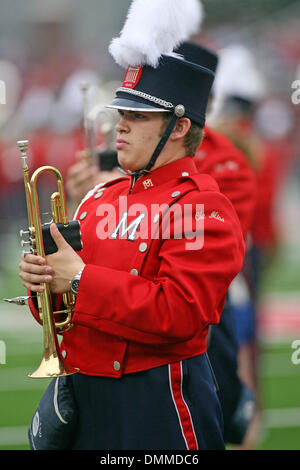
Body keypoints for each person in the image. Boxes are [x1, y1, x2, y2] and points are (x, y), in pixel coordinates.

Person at [18, 21, 245, 454]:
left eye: (137, 117)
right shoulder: (99, 197)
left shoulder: (202, 207)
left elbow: (179, 312)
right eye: (122, 114)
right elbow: (61, 313)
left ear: (178, 128)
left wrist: (81, 279)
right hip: (86, 397)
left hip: (156, 401)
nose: (120, 126)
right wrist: (43, 283)